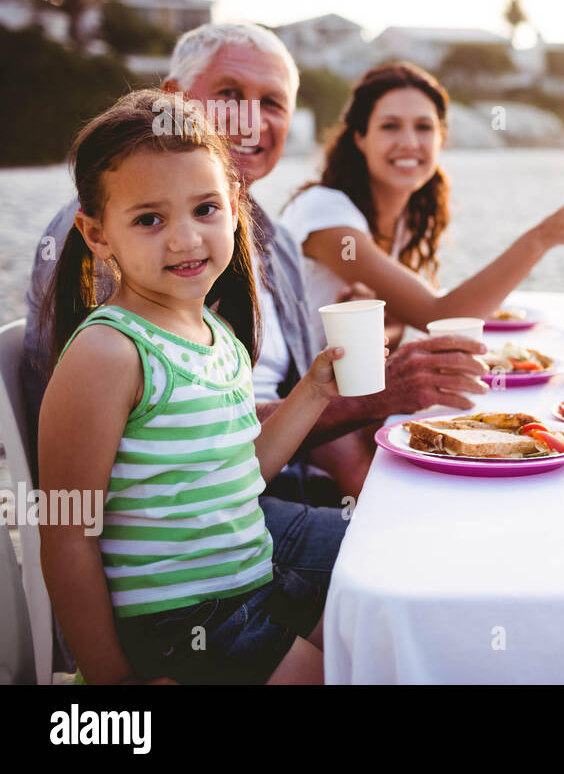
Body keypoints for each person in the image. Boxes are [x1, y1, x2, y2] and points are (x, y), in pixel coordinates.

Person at [23, 24, 488, 499]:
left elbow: (315, 422)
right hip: (184, 522)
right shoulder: (112, 239)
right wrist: (374, 397)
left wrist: (368, 496)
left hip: (270, 479)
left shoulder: (272, 238)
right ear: (172, 100)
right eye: (229, 94)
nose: (250, 120)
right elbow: (169, 438)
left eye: (272, 103)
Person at [39, 90, 366, 683]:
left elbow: (243, 476)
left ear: (236, 207)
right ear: (97, 234)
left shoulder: (216, 333)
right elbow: (66, 537)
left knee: (379, 634)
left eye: (206, 209)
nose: (186, 238)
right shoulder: (109, 352)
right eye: (149, 218)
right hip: (180, 626)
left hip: (250, 589)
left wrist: (315, 390)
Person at [279, 61, 564, 352]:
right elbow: (441, 318)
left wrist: (378, 326)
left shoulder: (403, 220)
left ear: (442, 138)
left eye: (424, 127)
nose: (409, 142)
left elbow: (396, 332)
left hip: (335, 392)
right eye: (390, 126)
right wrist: (541, 238)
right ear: (360, 138)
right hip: (288, 407)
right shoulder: (324, 213)